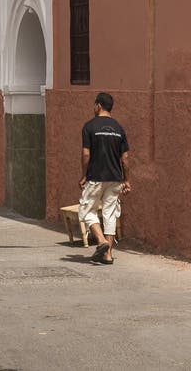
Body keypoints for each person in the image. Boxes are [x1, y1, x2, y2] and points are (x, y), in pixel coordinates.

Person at [78, 92, 130, 265]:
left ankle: (101, 242)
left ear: (98, 105)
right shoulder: (119, 128)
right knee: (110, 214)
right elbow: (125, 158)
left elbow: (86, 154)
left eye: (94, 105)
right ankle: (108, 256)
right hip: (115, 178)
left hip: (95, 176)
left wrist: (84, 174)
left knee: (86, 209)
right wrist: (126, 180)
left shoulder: (89, 126)